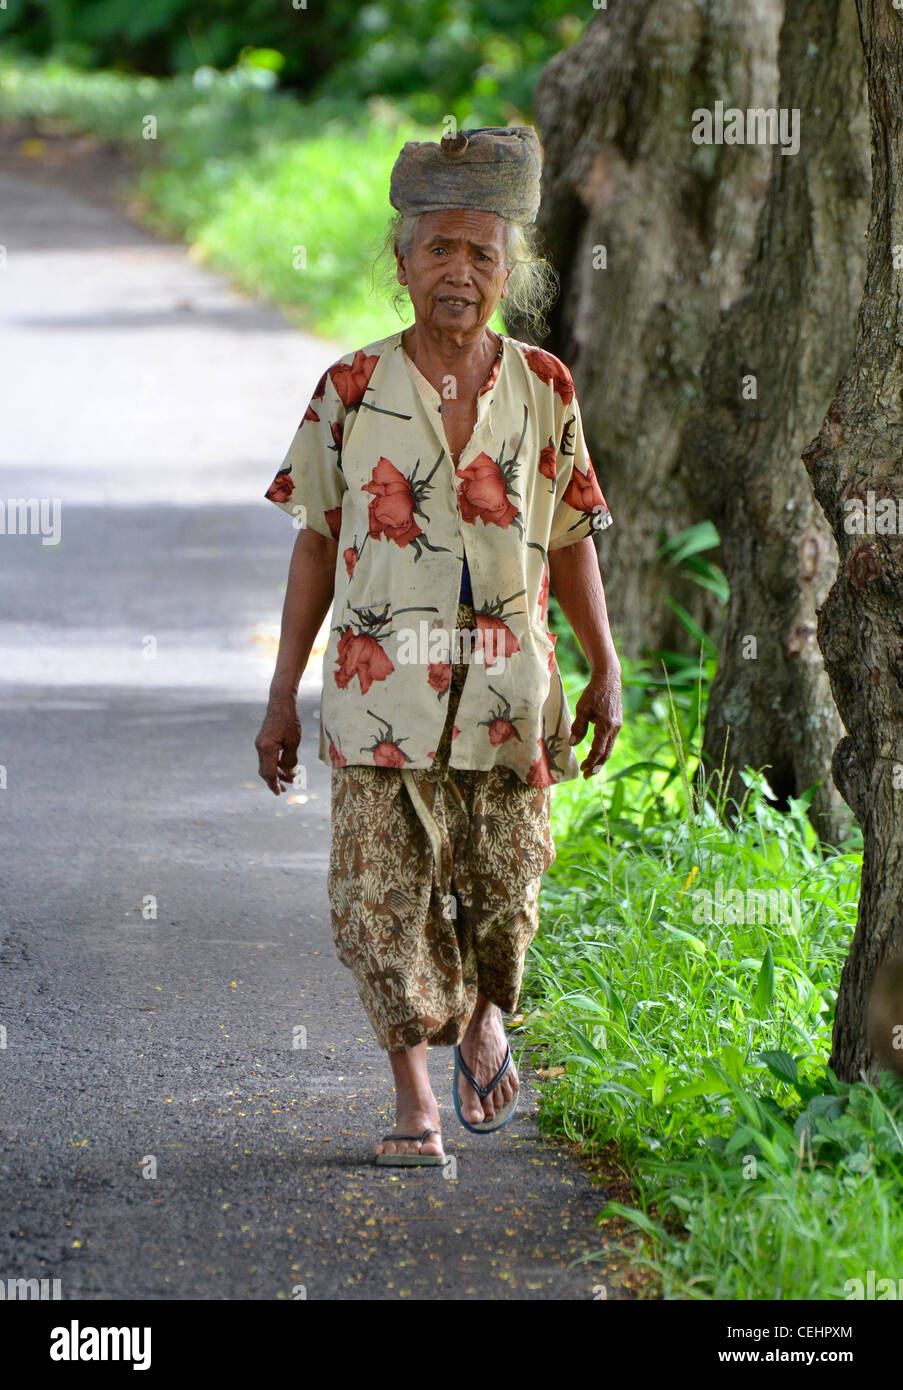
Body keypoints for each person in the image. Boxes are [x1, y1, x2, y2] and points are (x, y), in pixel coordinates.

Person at [255, 126, 622, 1166]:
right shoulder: (349, 389)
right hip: (380, 694)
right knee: (377, 906)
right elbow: (315, 543)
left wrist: (605, 666)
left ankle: (483, 1014)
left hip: (508, 693)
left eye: (482, 254)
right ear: (403, 259)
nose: (459, 272)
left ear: (511, 270)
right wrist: (281, 694)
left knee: (506, 898)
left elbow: (572, 535)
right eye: (438, 250)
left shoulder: (544, 386)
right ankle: (414, 1097)